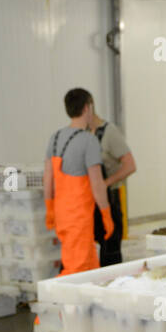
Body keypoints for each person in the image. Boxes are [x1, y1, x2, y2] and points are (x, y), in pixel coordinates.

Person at [44, 88, 113, 276]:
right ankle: (63, 303)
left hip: (62, 214)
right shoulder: (88, 140)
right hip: (79, 217)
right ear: (87, 108)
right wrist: (106, 213)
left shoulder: (55, 138)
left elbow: (48, 178)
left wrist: (49, 207)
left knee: (90, 265)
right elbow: (97, 184)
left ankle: (90, 303)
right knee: (77, 270)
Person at [88, 101, 136, 266]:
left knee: (111, 256)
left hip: (111, 200)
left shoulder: (109, 132)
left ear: (89, 108)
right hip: (91, 204)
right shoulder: (84, 133)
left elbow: (130, 165)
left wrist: (105, 182)